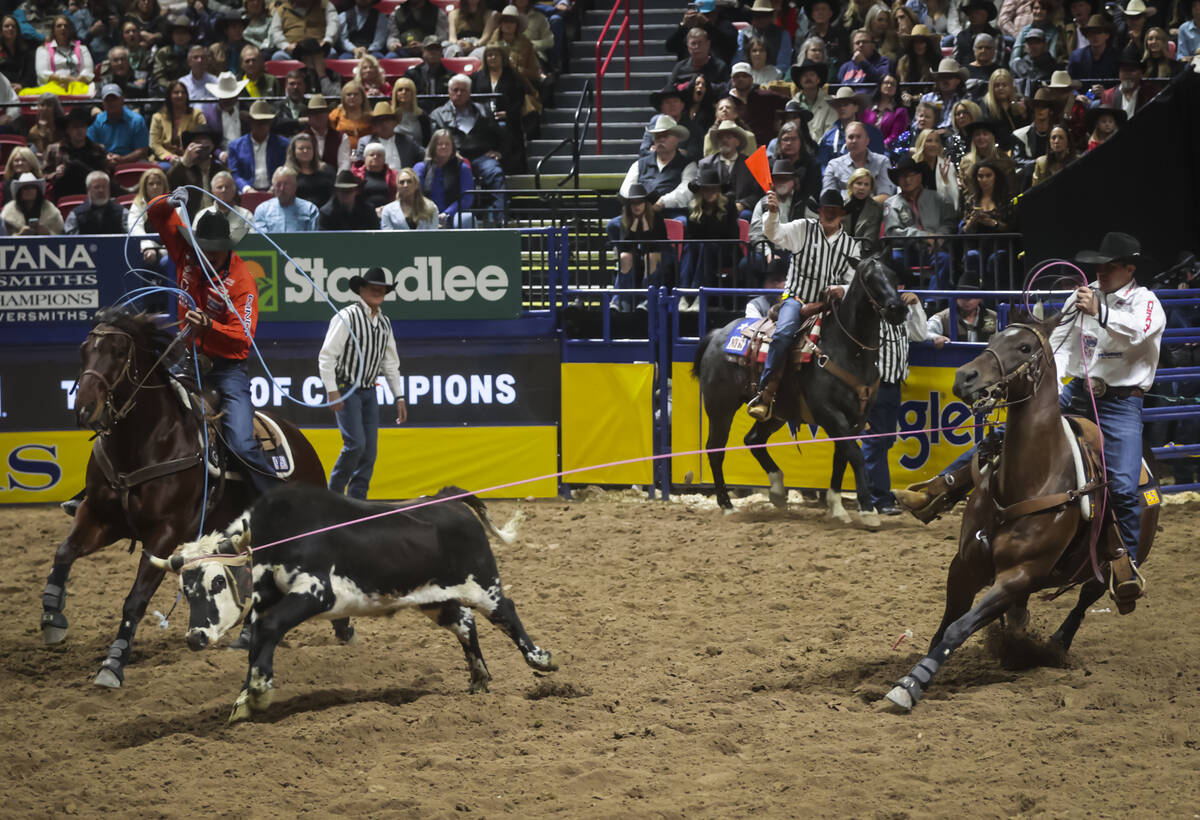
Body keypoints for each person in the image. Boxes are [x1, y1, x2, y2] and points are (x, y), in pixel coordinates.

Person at [897, 232, 1165, 604]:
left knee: (1121, 481)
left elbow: (1138, 334)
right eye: (1099, 265)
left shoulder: (1145, 302)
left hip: (1121, 402)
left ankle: (1124, 562)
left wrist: (1099, 312)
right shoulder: (1082, 296)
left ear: (1129, 269)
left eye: (1111, 265)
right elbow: (1057, 345)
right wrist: (1039, 379)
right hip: (1077, 390)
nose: (1101, 271)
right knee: (1007, 434)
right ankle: (940, 488)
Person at [146, 188, 282, 500]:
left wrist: (211, 325)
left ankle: (277, 502)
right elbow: (156, 215)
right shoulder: (185, 250)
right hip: (187, 359)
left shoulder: (242, 281)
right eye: (202, 247)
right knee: (142, 407)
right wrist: (169, 199)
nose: (206, 255)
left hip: (226, 369)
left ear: (227, 248)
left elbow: (243, 338)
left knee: (241, 443)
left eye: (214, 250)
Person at [746, 188, 862, 419]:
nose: (830, 214)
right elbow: (774, 234)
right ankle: (765, 391)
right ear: (818, 211)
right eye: (826, 210)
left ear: (842, 214)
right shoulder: (802, 228)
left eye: (835, 211)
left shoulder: (851, 245)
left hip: (831, 306)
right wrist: (773, 212)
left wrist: (843, 289)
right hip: (796, 299)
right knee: (783, 334)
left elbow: (855, 281)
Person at [317, 267, 407, 500]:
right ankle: (333, 496)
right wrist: (332, 390)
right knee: (355, 444)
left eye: (382, 288)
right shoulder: (347, 317)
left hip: (368, 391)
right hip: (347, 389)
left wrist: (399, 396)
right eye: (372, 287)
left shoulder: (385, 323)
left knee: (369, 452)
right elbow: (327, 356)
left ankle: (357, 501)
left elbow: (390, 363)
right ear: (362, 289)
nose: (377, 291)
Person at [852, 285, 927, 515]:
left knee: (883, 443)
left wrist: (916, 307)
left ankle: (872, 496)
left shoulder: (903, 314)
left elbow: (921, 335)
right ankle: (878, 499)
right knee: (875, 442)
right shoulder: (869, 313)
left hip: (893, 386)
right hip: (873, 386)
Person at [427, 73, 506, 222]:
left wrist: (497, 150)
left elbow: (498, 134)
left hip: (481, 155)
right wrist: (451, 154)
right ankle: (443, 217)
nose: (459, 93)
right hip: (452, 157)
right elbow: (434, 142)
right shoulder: (437, 115)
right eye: (455, 90)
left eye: (463, 90)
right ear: (449, 92)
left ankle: (500, 218)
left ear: (469, 92)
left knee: (495, 172)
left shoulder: (483, 111)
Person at [883, 154, 956, 288]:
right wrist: (924, 236)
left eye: (911, 175)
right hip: (905, 250)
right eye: (903, 176)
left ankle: (933, 301)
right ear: (898, 180)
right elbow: (892, 232)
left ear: (920, 177)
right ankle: (902, 299)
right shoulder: (891, 203)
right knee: (894, 258)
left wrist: (939, 238)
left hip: (932, 248)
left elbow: (949, 222)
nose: (907, 180)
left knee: (944, 259)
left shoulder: (937, 198)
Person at [677, 165, 739, 312]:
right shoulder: (694, 208)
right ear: (700, 191)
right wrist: (703, 214)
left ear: (718, 190)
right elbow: (691, 236)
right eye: (706, 189)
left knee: (705, 246)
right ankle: (684, 295)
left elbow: (731, 235)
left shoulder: (728, 206)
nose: (710, 192)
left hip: (725, 251)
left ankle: (698, 295)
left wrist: (710, 217)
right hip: (699, 250)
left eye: (713, 189)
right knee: (690, 247)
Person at [610, 182, 668, 311]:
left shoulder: (656, 217)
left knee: (650, 256)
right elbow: (625, 247)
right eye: (633, 203)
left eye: (640, 202)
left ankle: (647, 299)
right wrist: (634, 225)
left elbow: (655, 245)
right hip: (636, 256)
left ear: (646, 203)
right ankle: (621, 299)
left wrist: (646, 225)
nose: (636, 206)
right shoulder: (625, 219)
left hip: (658, 254)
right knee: (625, 256)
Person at [959, 158, 1016, 288]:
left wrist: (992, 223)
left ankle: (996, 298)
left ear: (996, 177)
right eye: (980, 176)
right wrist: (973, 221)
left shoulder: (1005, 200)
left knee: (996, 259)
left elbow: (1012, 227)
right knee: (972, 256)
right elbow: (963, 230)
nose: (984, 180)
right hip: (976, 244)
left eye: (988, 176)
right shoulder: (971, 200)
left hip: (999, 244)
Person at [698, 119, 762, 220]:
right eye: (721, 137)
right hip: (714, 207)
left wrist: (742, 204)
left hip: (742, 210)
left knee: (746, 215)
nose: (724, 140)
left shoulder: (751, 164)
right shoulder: (706, 164)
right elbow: (700, 192)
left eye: (729, 137)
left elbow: (756, 194)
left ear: (737, 142)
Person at [414, 128, 476, 227]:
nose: (444, 146)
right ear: (433, 146)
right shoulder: (421, 167)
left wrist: (447, 214)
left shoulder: (462, 168)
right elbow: (415, 194)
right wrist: (431, 214)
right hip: (426, 214)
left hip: (453, 214)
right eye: (440, 144)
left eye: (447, 144)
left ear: (453, 147)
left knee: (466, 218)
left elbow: (467, 197)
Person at [821, 121, 897, 199]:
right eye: (851, 137)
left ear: (867, 141)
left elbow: (886, 195)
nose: (854, 141)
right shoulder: (834, 165)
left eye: (858, 137)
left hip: (874, 209)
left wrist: (860, 206)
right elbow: (827, 196)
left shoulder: (882, 162)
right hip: (841, 209)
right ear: (845, 142)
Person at [43, 105, 107, 198]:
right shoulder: (53, 150)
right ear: (68, 130)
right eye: (75, 127)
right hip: (64, 195)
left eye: (82, 126)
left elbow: (105, 175)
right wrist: (55, 175)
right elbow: (42, 176)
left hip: (91, 196)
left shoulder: (98, 150)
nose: (79, 130)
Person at [228, 99, 289, 193]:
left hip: (276, 191)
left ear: (270, 123)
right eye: (258, 122)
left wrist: (275, 187)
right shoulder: (235, 146)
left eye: (265, 122)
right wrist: (246, 189)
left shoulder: (283, 144)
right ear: (250, 123)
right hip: (246, 192)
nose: (261, 126)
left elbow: (286, 169)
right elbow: (235, 174)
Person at [166, 127, 227, 214]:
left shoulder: (219, 170)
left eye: (205, 141)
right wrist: (184, 162)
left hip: (218, 217)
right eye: (197, 142)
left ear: (212, 145)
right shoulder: (183, 169)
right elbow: (169, 183)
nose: (201, 145)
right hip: (190, 219)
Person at [925, 272, 997, 345]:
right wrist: (934, 337)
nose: (967, 299)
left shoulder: (995, 317)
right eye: (963, 294)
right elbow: (924, 334)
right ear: (956, 296)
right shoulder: (941, 318)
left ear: (980, 297)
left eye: (972, 294)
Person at [88, 83, 149, 165]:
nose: (111, 103)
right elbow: (90, 147)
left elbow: (142, 151)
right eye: (107, 100)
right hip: (103, 162)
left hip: (131, 162)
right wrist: (104, 158)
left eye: (114, 99)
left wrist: (122, 160)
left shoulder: (137, 120)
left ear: (122, 100)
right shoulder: (96, 121)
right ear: (103, 103)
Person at [150, 81, 208, 164]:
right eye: (176, 93)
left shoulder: (197, 115)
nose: (180, 95)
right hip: (165, 159)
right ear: (169, 96)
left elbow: (204, 137)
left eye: (183, 93)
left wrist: (189, 155)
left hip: (192, 157)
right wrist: (169, 157)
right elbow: (154, 144)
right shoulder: (157, 117)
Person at [192, 170, 254, 244]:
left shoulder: (246, 215)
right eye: (219, 187)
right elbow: (195, 241)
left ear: (234, 190)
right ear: (212, 192)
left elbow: (252, 243)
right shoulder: (202, 215)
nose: (223, 190)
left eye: (227, 187)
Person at [252, 165, 320, 231]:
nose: (282, 189)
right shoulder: (262, 210)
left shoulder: (310, 210)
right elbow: (261, 240)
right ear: (273, 187)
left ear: (295, 186)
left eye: (287, 184)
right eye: (278, 185)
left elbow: (312, 240)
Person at [267, 0, 339, 61]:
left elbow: (333, 24)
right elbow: (276, 31)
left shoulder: (325, 5)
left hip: (319, 49)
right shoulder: (282, 9)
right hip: (291, 50)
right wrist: (285, 46)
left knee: (332, 54)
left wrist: (327, 41)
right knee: (278, 57)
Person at [64, 169, 127, 234]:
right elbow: (70, 242)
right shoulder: (75, 215)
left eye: (104, 187)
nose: (101, 190)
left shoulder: (122, 213)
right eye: (96, 187)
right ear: (88, 189)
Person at [912, 127, 959, 210]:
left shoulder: (948, 166)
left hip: (942, 214)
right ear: (921, 143)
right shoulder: (912, 165)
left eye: (937, 141)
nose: (933, 144)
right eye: (929, 141)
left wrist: (945, 180)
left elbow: (954, 201)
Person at [201, 71, 249, 151]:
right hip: (220, 157)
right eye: (225, 98)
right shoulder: (208, 115)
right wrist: (220, 154)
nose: (228, 101)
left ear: (236, 97)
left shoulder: (244, 110)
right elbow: (207, 141)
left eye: (231, 98)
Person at [285, 130, 335, 206]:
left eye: (309, 148)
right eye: (301, 148)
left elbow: (334, 196)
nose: (305, 151)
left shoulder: (327, 169)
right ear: (293, 151)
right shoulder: (287, 174)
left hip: (324, 214)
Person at [380, 166, 439, 230]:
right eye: (402, 182)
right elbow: (387, 237)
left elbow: (434, 236)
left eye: (409, 181)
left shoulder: (431, 208)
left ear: (416, 184)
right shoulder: (388, 211)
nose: (405, 185)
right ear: (397, 186)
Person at [1068, 13, 1118, 83]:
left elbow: (1118, 83)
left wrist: (1106, 92)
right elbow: (1070, 83)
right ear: (1087, 36)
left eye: (1099, 32)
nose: (1095, 36)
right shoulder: (1077, 57)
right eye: (1091, 33)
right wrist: (1077, 94)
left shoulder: (1115, 57)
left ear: (1107, 35)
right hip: (1083, 93)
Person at [842, 166, 883, 251]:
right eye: (859, 183)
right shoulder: (841, 205)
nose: (862, 187)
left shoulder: (876, 209)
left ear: (870, 188)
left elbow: (869, 240)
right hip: (840, 252)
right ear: (851, 185)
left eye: (866, 184)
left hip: (865, 255)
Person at [862, 73, 909, 146]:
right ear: (880, 85)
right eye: (886, 83)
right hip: (864, 147)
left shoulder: (900, 111)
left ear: (896, 89)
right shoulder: (869, 108)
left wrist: (879, 146)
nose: (889, 86)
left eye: (893, 84)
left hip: (886, 150)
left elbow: (895, 137)